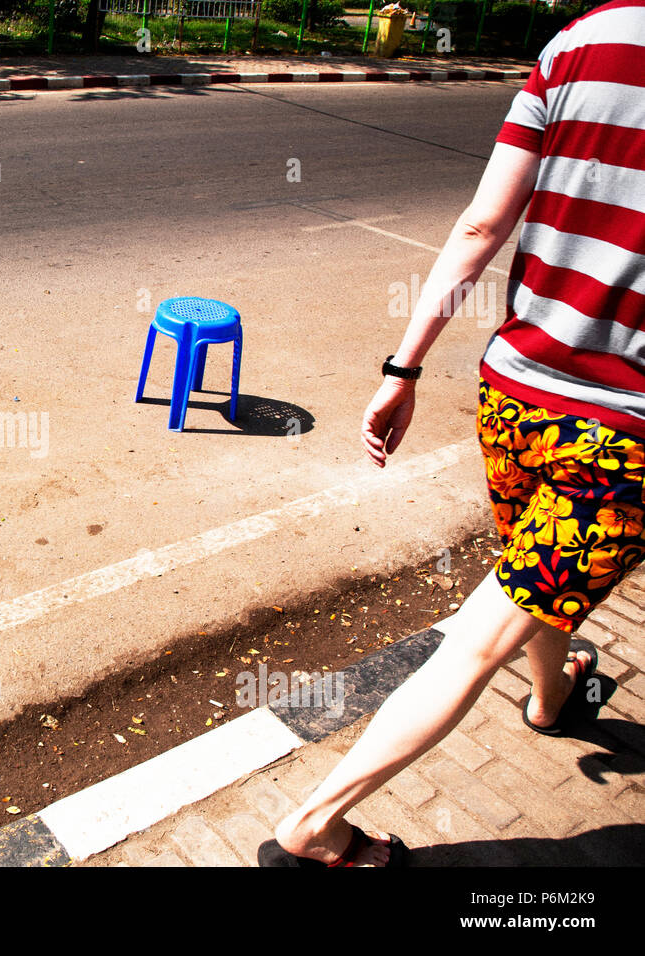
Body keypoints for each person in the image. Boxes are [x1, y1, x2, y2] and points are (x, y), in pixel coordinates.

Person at [261, 0, 645, 866]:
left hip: (516, 396)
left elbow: (480, 227)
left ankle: (552, 698)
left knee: (524, 580)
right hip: (622, 430)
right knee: (479, 636)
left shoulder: (582, 39)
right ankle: (315, 825)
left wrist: (401, 370)